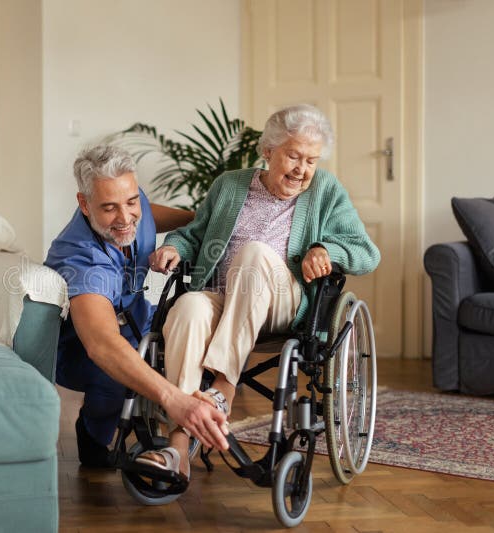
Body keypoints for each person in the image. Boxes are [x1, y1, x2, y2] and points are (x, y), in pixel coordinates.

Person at [138, 104, 380, 482]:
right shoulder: (230, 184)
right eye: (293, 156)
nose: (302, 170)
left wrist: (326, 251)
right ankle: (178, 448)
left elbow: (367, 253)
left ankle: (223, 387)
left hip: (285, 303)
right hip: (222, 296)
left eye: (310, 160)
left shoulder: (326, 190)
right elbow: (194, 234)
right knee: (187, 308)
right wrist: (176, 249)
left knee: (254, 254)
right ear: (267, 152)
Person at [44, 145, 231, 470]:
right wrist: (174, 400)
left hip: (136, 318)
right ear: (84, 204)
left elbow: (146, 211)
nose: (126, 217)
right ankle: (92, 436)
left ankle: (177, 428)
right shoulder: (81, 259)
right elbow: (102, 345)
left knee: (197, 332)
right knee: (114, 384)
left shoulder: (128, 200)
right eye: (110, 208)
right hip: (84, 348)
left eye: (131, 201)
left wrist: (202, 224)